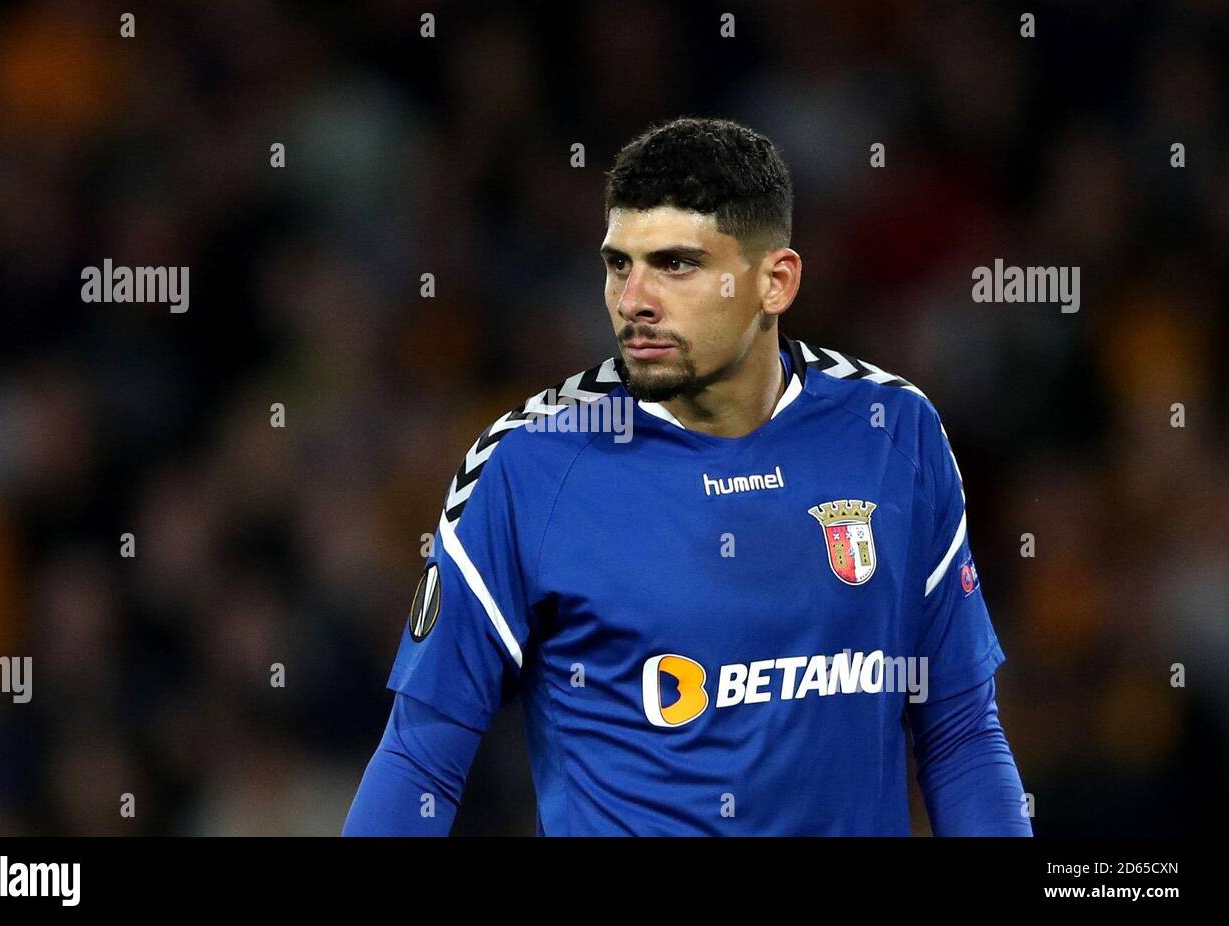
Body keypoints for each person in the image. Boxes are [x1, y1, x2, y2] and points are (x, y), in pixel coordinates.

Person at [343, 116, 1031, 836]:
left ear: (775, 281)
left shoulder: (892, 433)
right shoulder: (532, 462)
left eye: (676, 264)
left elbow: (960, 733)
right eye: (618, 264)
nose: (632, 298)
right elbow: (421, 758)